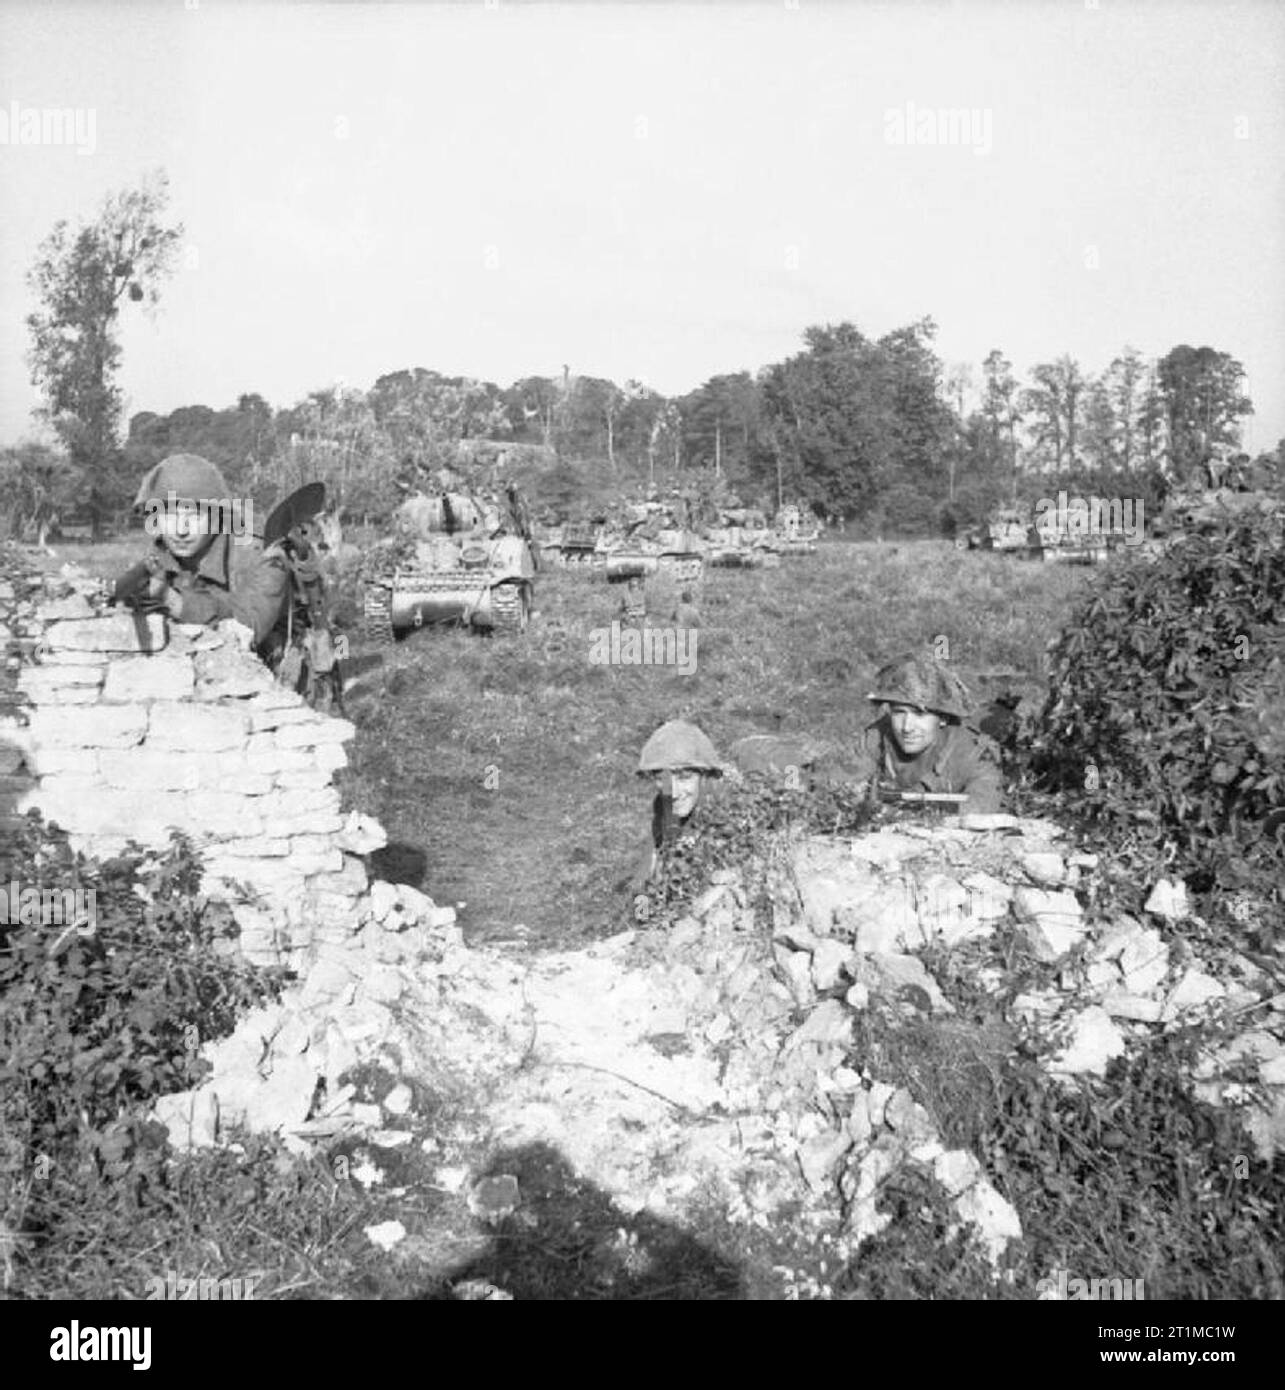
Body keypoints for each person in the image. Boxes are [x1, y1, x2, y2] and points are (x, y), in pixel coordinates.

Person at [115, 453, 290, 652]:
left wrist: (170, 599)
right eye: (170, 516)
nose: (181, 530)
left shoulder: (261, 553)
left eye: (194, 516)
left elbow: (250, 626)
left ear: (217, 517)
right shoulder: (162, 551)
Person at [833, 653, 1003, 813]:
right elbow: (833, 785)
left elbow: (982, 807)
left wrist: (903, 812)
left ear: (943, 717)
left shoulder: (975, 753)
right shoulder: (877, 737)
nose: (907, 727)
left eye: (920, 714)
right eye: (899, 713)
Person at [631, 719, 724, 895]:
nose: (673, 792)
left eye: (684, 778)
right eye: (663, 779)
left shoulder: (725, 805)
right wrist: (641, 916)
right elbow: (643, 878)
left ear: (704, 776)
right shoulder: (664, 805)